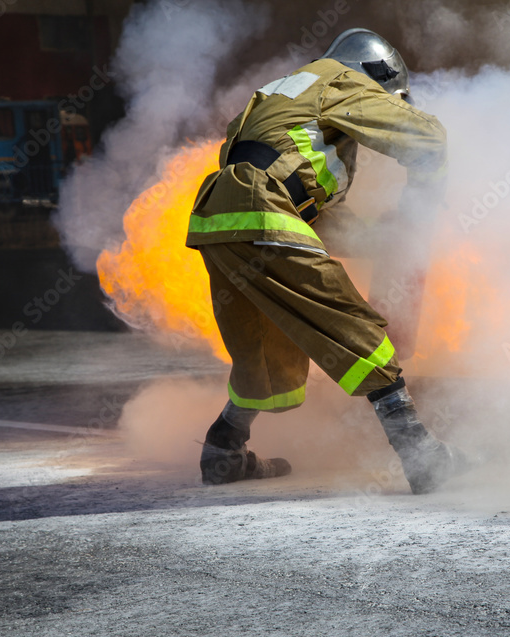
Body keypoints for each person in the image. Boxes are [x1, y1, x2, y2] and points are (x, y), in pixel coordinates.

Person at [187, 28, 470, 494]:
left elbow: (300, 203)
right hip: (260, 206)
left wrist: (386, 239)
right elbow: (425, 136)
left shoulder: (281, 93)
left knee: (266, 347)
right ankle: (423, 457)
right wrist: (424, 201)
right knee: (350, 321)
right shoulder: (342, 79)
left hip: (219, 218)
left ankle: (222, 450)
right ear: (378, 76)